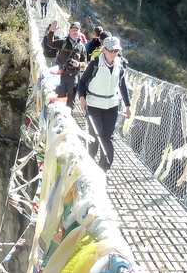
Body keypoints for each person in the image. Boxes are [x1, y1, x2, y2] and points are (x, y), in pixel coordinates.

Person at [77, 36, 131, 171]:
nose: (114, 53)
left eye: (116, 50)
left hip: (111, 106)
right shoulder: (95, 63)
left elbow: (122, 85)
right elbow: (82, 82)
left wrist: (128, 105)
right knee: (95, 136)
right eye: (111, 50)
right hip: (94, 104)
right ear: (104, 50)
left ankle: (104, 168)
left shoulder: (120, 64)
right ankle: (87, 165)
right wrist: (82, 98)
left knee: (107, 137)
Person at [44, 20, 88, 108]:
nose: (75, 32)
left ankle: (68, 116)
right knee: (59, 99)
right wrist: (52, 31)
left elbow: (85, 64)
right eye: (73, 30)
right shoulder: (63, 42)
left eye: (77, 30)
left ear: (79, 32)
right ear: (69, 31)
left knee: (70, 102)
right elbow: (50, 43)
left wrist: (78, 64)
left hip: (73, 78)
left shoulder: (82, 47)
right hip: (61, 76)